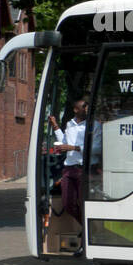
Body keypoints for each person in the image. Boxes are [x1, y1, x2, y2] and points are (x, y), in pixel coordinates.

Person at [47, 96, 89, 224]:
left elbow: (96, 148)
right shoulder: (69, 124)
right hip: (69, 168)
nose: (87, 110)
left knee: (84, 203)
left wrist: (74, 148)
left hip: (84, 169)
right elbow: (65, 141)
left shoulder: (92, 125)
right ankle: (85, 227)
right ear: (76, 109)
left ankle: (88, 232)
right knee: (67, 204)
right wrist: (55, 126)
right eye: (85, 107)